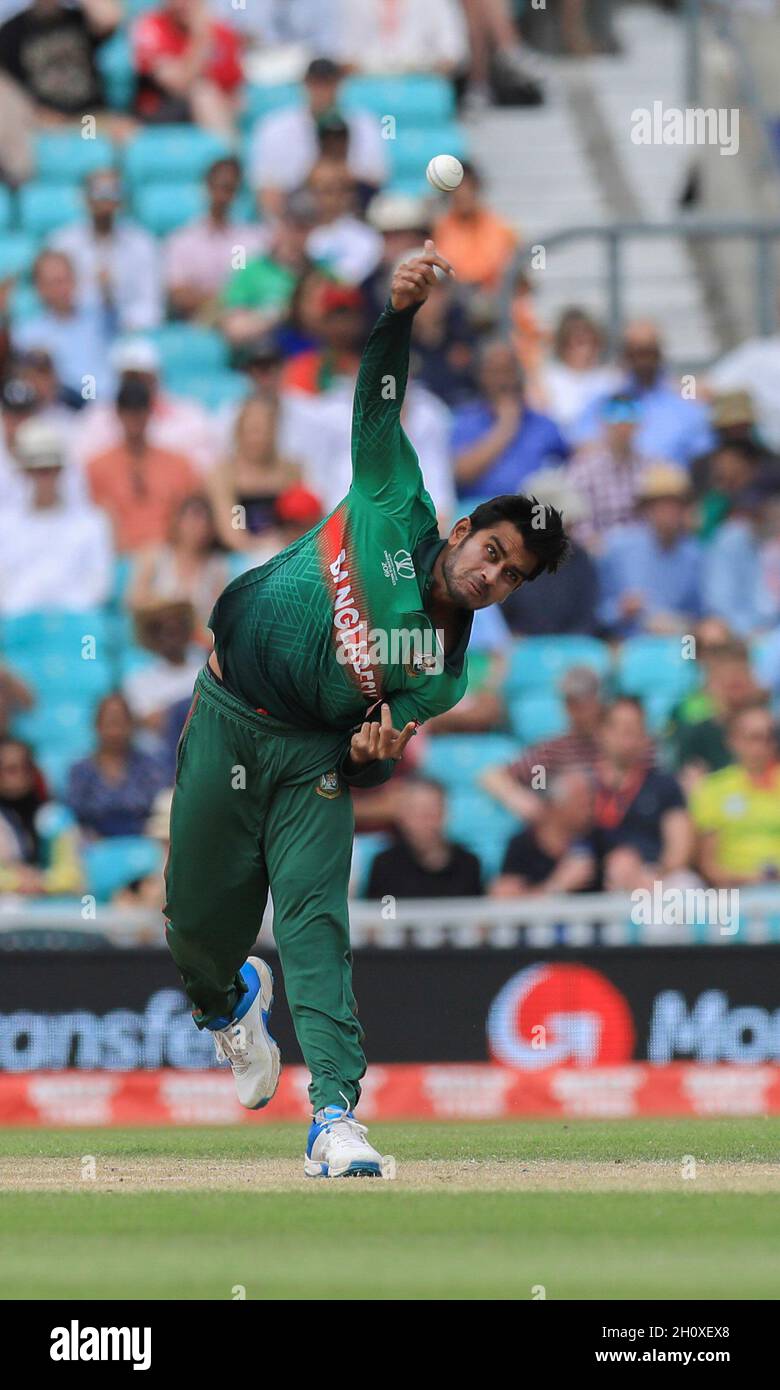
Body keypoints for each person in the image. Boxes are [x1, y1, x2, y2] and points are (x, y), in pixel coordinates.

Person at [163, 240, 570, 1178]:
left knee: (313, 926)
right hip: (227, 710)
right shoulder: (394, 497)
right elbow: (378, 393)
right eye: (493, 553)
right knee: (194, 925)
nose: (492, 578)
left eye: (512, 578)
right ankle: (229, 1009)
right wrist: (397, 313)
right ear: (465, 531)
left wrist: (373, 755)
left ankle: (337, 1118)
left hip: (311, 760)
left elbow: (372, 759)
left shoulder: (443, 669)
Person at [248, 56, 388, 218]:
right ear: (305, 84)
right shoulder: (274, 127)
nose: (321, 90)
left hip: (353, 214)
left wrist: (335, 176)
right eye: (316, 83)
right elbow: (266, 191)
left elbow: (376, 181)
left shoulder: (365, 124)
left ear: (339, 84)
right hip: (296, 219)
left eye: (327, 83)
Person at [0, 419, 113, 615]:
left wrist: (57, 617)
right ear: (25, 472)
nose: (44, 478)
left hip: (74, 622)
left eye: (49, 469)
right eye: (36, 470)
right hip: (18, 624)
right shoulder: (5, 525)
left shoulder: (92, 523)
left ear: (60, 470)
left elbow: (99, 586)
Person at [571, 320, 715, 468]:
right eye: (635, 352)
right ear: (625, 355)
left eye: (648, 352)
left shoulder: (685, 403)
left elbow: (702, 453)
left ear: (659, 353)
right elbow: (580, 444)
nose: (642, 360)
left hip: (669, 486)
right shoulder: (604, 401)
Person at [72, 337, 216, 475]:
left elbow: (204, 466)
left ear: (157, 376)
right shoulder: (98, 416)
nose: (137, 384)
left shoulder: (188, 415)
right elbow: (83, 463)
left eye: (143, 377)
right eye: (130, 378)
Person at [86, 378, 200, 553]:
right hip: (118, 557)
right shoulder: (97, 467)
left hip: (169, 555)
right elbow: (96, 522)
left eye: (139, 410)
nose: (134, 418)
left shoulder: (178, 464)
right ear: (118, 413)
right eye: (128, 410)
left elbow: (190, 516)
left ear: (149, 412)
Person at [482, 665, 606, 824]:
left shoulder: (617, 745)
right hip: (569, 829)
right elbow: (494, 776)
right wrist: (524, 801)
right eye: (570, 702)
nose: (577, 710)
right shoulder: (552, 752)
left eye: (584, 702)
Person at [592, 696, 692, 892]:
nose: (626, 736)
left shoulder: (664, 785)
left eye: (634, 729)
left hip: (654, 878)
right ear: (601, 733)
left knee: (685, 886)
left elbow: (679, 849)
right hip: (598, 884)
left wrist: (656, 873)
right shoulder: (585, 787)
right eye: (619, 728)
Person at [452, 337, 568, 499]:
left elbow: (570, 468)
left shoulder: (543, 424)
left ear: (520, 376)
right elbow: (461, 474)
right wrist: (505, 427)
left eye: (508, 371)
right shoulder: (466, 420)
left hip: (532, 514)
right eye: (494, 372)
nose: (503, 381)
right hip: (479, 513)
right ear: (481, 377)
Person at [49, 168, 162, 334]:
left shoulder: (142, 244)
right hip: (73, 331)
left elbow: (151, 306)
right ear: (85, 198)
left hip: (129, 334)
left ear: (122, 200)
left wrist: (119, 323)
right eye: (99, 193)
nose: (105, 201)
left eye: (111, 193)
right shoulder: (62, 244)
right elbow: (54, 300)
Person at [597, 464, 703, 637]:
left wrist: (680, 624)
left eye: (675, 505)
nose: (669, 512)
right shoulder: (618, 548)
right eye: (661, 505)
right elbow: (596, 611)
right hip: (626, 644)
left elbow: (701, 613)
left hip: (679, 643)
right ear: (646, 509)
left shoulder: (695, 555)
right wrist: (620, 610)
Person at [164, 157, 267, 320]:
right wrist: (220, 301)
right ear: (206, 187)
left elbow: (246, 287)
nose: (221, 196)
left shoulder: (247, 240)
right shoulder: (182, 240)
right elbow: (178, 294)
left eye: (229, 189)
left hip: (236, 320)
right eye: (216, 187)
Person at [691, 701, 780, 886]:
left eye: (769, 738)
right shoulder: (713, 788)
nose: (762, 746)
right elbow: (708, 863)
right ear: (733, 741)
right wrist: (748, 880)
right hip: (734, 892)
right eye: (754, 738)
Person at [11, 249, 115, 401]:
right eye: (54, 282)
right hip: (55, 411)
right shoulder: (26, 334)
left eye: (66, 279)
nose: (62, 288)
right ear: (39, 288)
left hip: (103, 407)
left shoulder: (99, 319)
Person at [66, 693, 170, 839]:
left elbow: (159, 810)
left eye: (121, 723)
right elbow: (75, 815)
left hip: (144, 844)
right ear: (97, 725)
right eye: (109, 723)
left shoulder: (150, 767)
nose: (115, 731)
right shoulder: (80, 771)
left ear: (132, 725)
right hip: (93, 846)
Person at [132, 0, 242, 136]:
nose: (182, 4)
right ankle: (229, 153)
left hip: (215, 115)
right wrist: (201, 39)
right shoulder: (151, 27)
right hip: (158, 113)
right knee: (203, 93)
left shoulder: (224, 33)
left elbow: (236, 95)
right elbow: (179, 84)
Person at [208, 393, 302, 552]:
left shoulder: (291, 471)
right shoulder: (224, 475)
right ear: (239, 431)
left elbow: (304, 522)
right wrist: (262, 546)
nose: (260, 438)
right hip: (238, 560)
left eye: (266, 430)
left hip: (285, 553)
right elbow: (232, 531)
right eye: (253, 430)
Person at [366, 777, 482, 900]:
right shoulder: (385, 864)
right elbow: (381, 914)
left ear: (446, 814)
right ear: (402, 817)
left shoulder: (468, 864)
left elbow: (475, 914)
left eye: (433, 813)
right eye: (417, 814)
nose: (426, 822)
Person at [128, 493, 229, 632]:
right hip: (156, 632)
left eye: (204, 523)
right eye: (192, 521)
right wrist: (170, 607)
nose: (198, 529)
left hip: (196, 636)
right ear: (178, 521)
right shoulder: (155, 555)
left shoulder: (216, 566)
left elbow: (220, 614)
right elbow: (134, 600)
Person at [490, 768, 596, 898]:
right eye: (581, 804)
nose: (589, 811)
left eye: (590, 803)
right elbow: (504, 901)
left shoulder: (596, 839)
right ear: (557, 806)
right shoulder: (522, 845)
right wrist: (557, 886)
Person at [567, 394, 654, 552]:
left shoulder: (653, 469)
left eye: (629, 418)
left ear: (639, 424)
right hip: (598, 555)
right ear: (602, 423)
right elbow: (578, 524)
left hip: (643, 555)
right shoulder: (583, 471)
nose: (622, 426)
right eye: (614, 417)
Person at [0, 737, 82, 896]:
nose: (18, 775)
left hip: (49, 904)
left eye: (24, 767)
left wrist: (41, 881)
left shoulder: (56, 816)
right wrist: (16, 881)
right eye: (9, 769)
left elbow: (72, 873)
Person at [527, 307, 620, 434]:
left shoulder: (611, 379)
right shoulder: (548, 377)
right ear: (564, 345)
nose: (586, 348)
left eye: (591, 341)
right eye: (579, 342)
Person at [431, 160, 518, 294]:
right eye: (457, 188)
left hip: (491, 296)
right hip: (453, 298)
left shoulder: (501, 228)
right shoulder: (439, 229)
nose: (463, 194)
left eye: (467, 187)